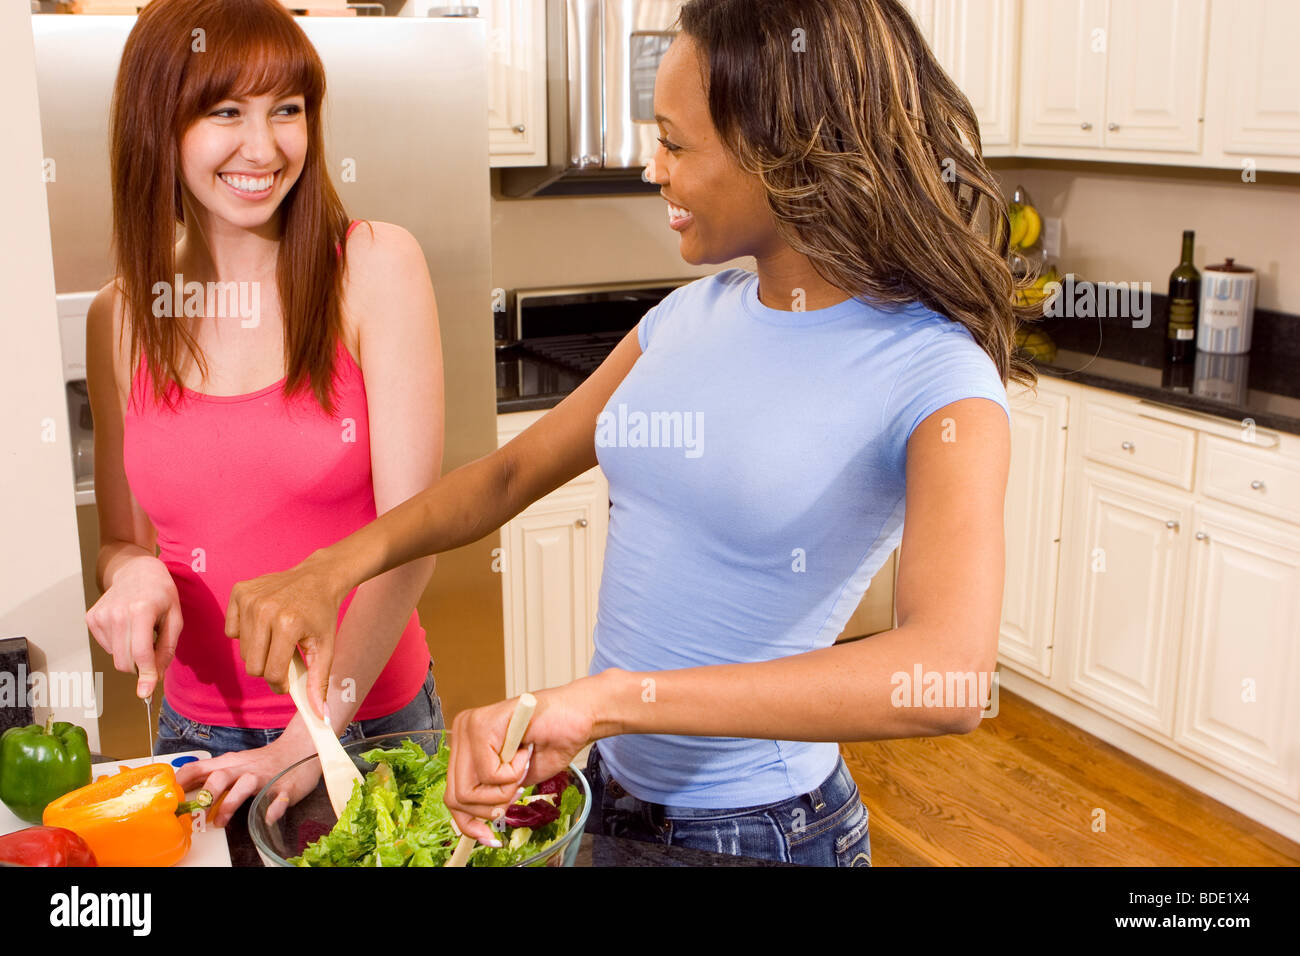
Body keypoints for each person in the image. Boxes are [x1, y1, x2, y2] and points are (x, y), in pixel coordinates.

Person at [225, 0, 1038, 864]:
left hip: (760, 832)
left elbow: (950, 674)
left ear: (783, 151)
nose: (656, 169)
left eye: (675, 145)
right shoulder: (686, 317)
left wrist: (608, 700)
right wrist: (331, 568)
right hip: (609, 792)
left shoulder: (934, 373)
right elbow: (507, 477)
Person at [83, 0, 445, 828]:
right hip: (192, 739)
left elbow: (413, 538)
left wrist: (308, 733)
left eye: (286, 109)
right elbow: (121, 542)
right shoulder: (122, 318)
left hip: (366, 728)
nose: (264, 146)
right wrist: (131, 572)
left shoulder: (374, 268)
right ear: (158, 125)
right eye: (225, 112)